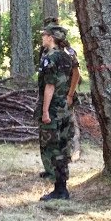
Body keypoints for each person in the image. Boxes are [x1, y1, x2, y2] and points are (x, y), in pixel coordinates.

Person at [36, 23, 76, 201]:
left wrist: (45, 111)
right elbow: (76, 75)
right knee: (63, 146)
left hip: (53, 109)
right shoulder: (67, 55)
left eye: (44, 35)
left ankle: (60, 190)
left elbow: (49, 86)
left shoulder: (50, 58)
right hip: (65, 108)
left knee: (53, 148)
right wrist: (70, 95)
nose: (42, 38)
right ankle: (62, 186)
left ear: (50, 38)